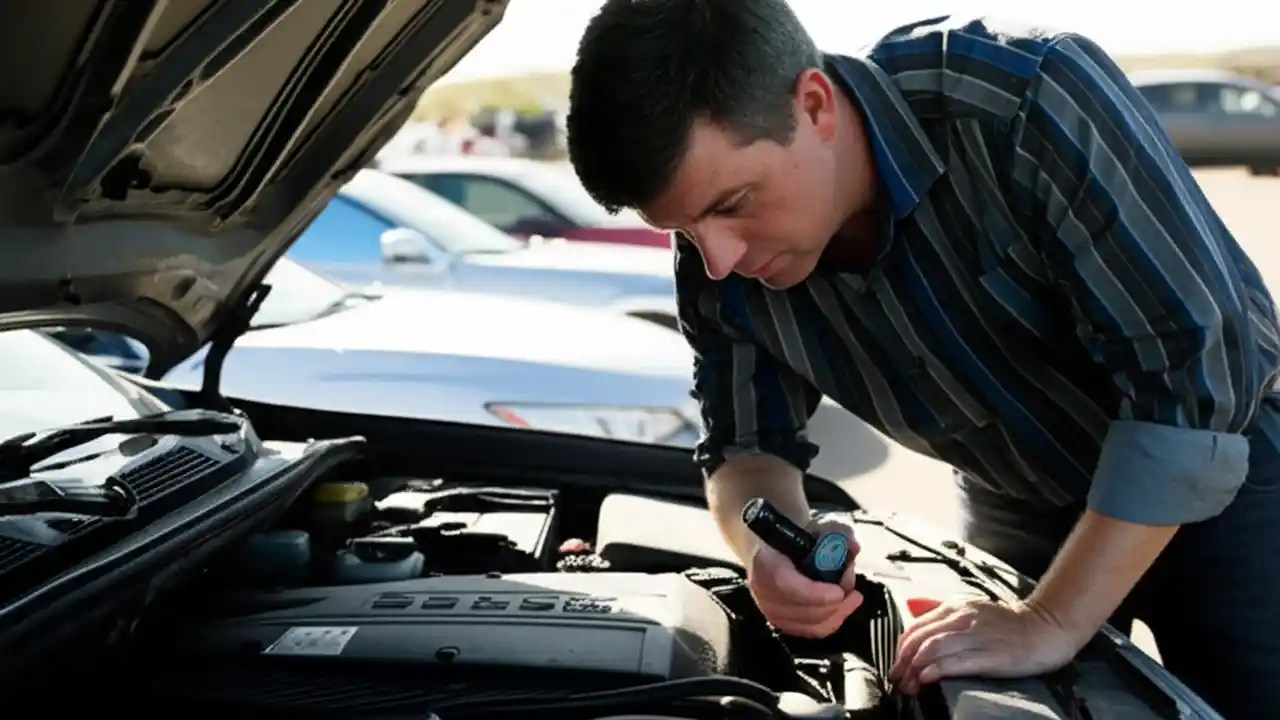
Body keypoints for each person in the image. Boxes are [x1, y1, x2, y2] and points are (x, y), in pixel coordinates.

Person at [564, 1, 1280, 717]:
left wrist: (1052, 621)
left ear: (814, 106)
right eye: (682, 229)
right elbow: (744, 450)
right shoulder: (716, 259)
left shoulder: (1023, 100)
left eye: (733, 203)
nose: (718, 262)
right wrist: (769, 554)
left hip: (1234, 480)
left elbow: (1197, 378)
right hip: (1016, 496)